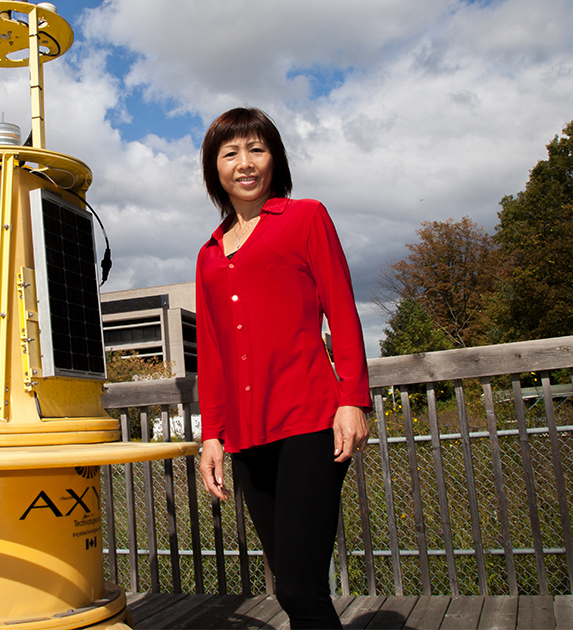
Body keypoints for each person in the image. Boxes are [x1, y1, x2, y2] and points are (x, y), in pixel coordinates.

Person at [195, 107, 372, 629]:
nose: (245, 163)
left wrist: (353, 398)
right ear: (215, 169)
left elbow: (341, 309)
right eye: (231, 153)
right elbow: (212, 351)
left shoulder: (306, 217)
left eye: (257, 149)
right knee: (290, 587)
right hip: (247, 436)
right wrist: (212, 435)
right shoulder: (207, 254)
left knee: (300, 585)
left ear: (275, 160)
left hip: (310, 420)